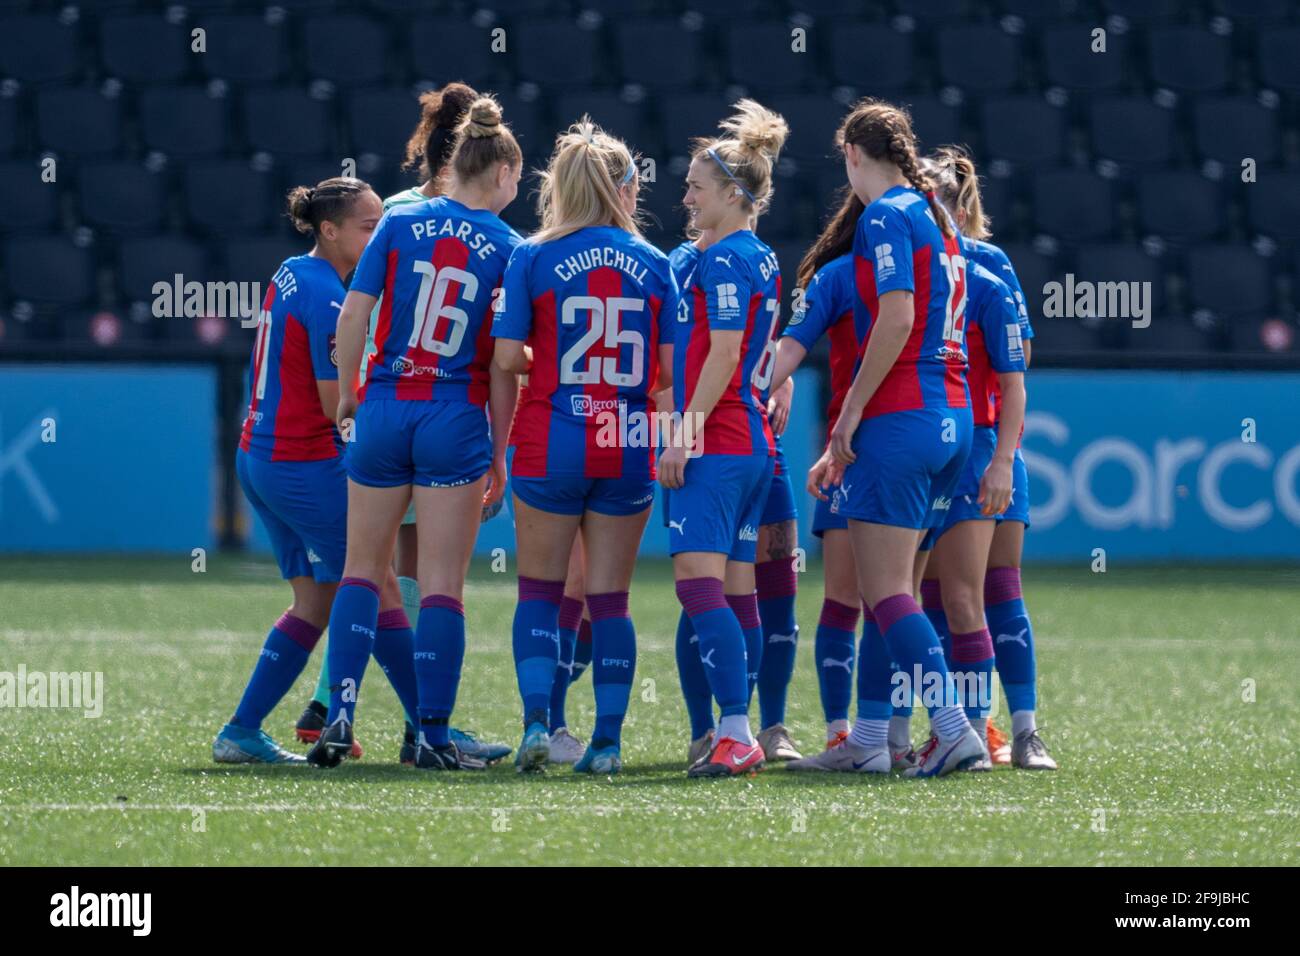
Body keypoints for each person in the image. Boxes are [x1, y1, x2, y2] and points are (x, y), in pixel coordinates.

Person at [294, 81, 511, 766]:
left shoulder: (396, 220)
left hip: (385, 406)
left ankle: (341, 712)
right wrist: (500, 454)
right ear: (502, 173)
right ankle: (432, 736)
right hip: (454, 412)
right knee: (441, 586)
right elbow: (506, 362)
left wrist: (349, 399)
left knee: (362, 569)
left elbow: (354, 315)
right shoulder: (512, 244)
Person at [791, 98, 983, 777]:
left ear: (850, 156)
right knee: (891, 590)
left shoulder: (884, 215)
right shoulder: (938, 218)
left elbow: (896, 320)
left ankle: (956, 729)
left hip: (901, 418)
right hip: (953, 421)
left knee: (887, 592)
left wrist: (846, 419)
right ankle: (873, 738)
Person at [494, 118, 675, 774]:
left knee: (539, 593)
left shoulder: (531, 256)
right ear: (624, 188)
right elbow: (667, 379)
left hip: (551, 437)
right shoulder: (658, 264)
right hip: (625, 442)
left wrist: (558, 362)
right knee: (610, 600)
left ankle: (539, 723)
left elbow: (508, 354)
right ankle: (607, 743)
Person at [214, 178, 408, 764]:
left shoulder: (291, 271)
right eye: (368, 227)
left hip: (260, 457)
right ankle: (431, 728)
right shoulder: (329, 296)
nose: (377, 238)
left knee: (317, 604)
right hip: (300, 463)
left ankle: (241, 732)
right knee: (381, 583)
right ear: (330, 230)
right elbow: (334, 405)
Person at [658, 99, 788, 778]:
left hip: (721, 443)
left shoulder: (723, 262)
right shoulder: (757, 254)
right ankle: (737, 731)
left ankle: (734, 732)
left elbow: (725, 350)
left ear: (734, 196)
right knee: (738, 595)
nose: (685, 197)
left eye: (696, 188)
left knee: (697, 589)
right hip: (753, 446)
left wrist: (682, 434)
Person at [923, 146, 1055, 770]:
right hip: (981, 441)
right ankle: (1010, 731)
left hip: (972, 443)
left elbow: (1013, 367)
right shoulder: (991, 264)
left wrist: (999, 456)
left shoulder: (966, 267)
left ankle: (978, 730)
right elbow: (1020, 358)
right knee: (988, 590)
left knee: (958, 594)